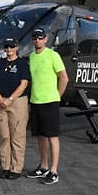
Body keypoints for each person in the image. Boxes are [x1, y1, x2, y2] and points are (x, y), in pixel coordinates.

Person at [25, 27, 69, 185]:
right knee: (40, 136)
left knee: (52, 137)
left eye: (40, 37)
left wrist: (57, 96)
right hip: (35, 102)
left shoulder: (53, 55)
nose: (37, 40)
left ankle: (54, 170)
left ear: (46, 39)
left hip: (50, 102)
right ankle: (43, 166)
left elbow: (64, 78)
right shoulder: (31, 56)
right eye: (35, 37)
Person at [0, 37, 30, 179]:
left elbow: (24, 83)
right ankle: (6, 166)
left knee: (17, 136)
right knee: (4, 136)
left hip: (17, 102)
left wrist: (10, 99)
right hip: (0, 101)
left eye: (12, 47)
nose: (9, 50)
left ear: (17, 47)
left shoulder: (22, 63)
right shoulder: (0, 63)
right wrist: (0, 98)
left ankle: (16, 168)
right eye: (7, 47)